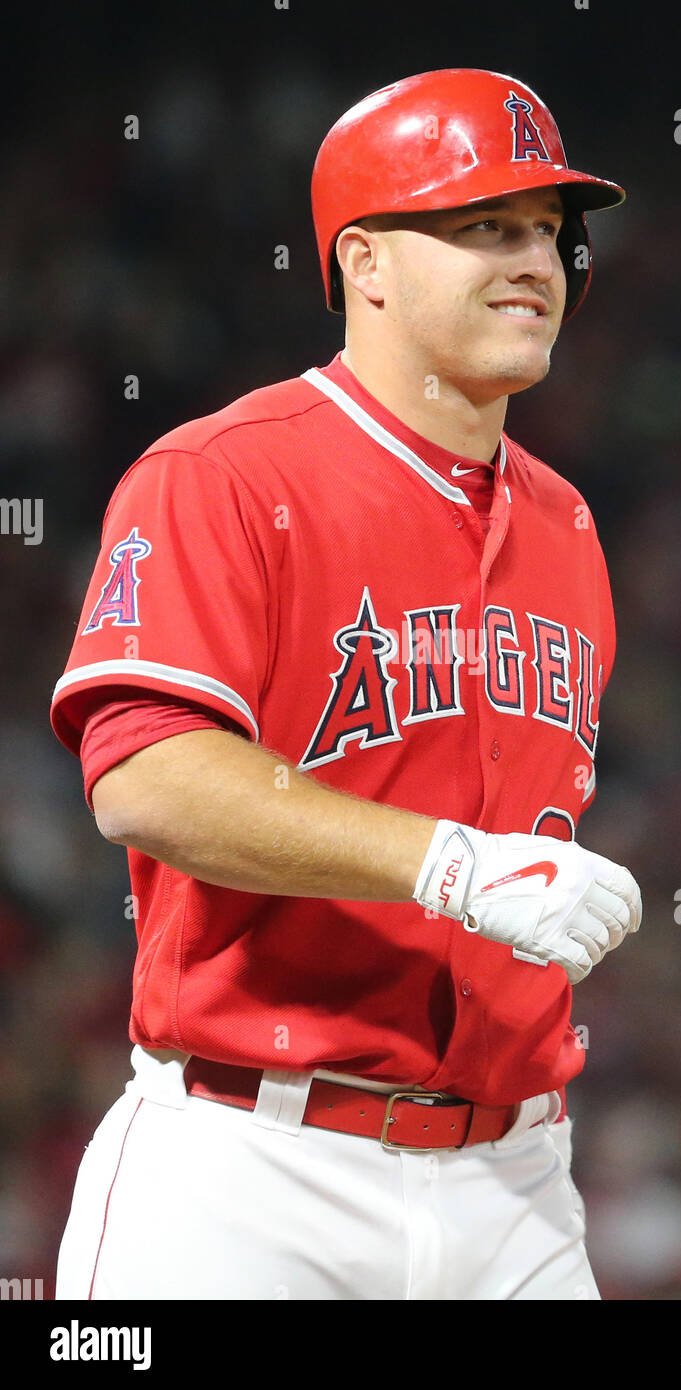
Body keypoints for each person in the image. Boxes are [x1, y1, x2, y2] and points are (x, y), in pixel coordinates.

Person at [50, 67, 641, 1301]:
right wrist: (451, 865)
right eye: (486, 225)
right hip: (251, 1170)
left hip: (516, 1178)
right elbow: (149, 780)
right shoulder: (219, 474)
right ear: (364, 264)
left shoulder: (569, 523)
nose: (535, 257)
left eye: (548, 230)